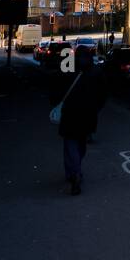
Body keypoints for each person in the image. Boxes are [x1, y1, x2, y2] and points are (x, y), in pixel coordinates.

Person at [49, 45, 107, 195]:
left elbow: (57, 89)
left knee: (70, 144)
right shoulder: (96, 71)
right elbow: (103, 94)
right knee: (81, 143)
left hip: (70, 114)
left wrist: (56, 103)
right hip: (88, 115)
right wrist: (96, 108)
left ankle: (74, 172)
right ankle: (76, 168)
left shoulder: (67, 69)